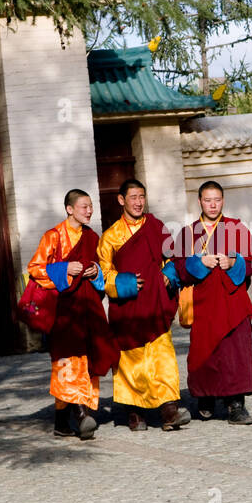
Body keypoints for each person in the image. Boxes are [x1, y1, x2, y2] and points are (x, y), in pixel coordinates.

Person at [97, 178, 190, 431]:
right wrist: (123, 282)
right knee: (131, 360)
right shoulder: (110, 236)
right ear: (121, 200)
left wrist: (169, 273)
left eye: (142, 197)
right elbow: (103, 275)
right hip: (128, 308)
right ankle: (134, 412)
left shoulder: (156, 226)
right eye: (133, 197)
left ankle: (169, 410)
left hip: (156, 303)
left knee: (163, 356)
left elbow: (173, 257)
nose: (139, 202)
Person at [27, 189, 119, 438]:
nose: (89, 211)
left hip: (88, 306)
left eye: (90, 207)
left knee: (87, 358)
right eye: (83, 206)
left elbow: (102, 266)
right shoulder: (53, 236)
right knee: (67, 362)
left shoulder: (92, 237)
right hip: (64, 310)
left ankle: (61, 421)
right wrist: (66, 267)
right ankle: (80, 414)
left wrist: (95, 271)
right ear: (69, 209)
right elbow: (35, 268)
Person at [179, 180, 252, 424]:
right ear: (199, 202)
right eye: (208, 200)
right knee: (204, 352)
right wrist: (198, 262)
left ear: (223, 200)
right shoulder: (189, 232)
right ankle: (205, 398)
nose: (213, 205)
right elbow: (177, 268)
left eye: (217, 200)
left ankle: (236, 404)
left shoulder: (236, 228)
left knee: (235, 352)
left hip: (232, 302)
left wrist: (233, 262)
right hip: (203, 303)